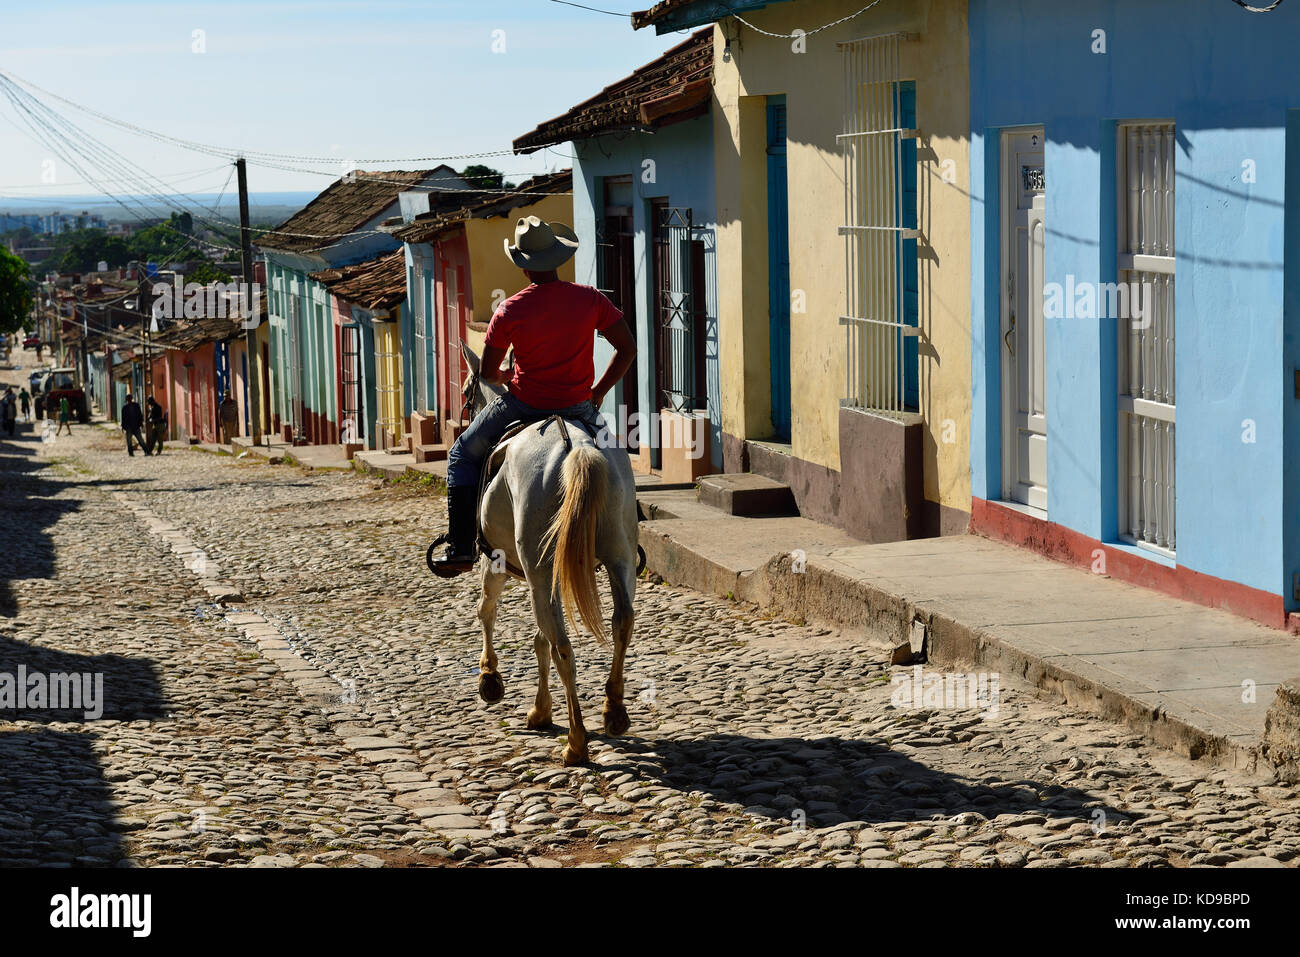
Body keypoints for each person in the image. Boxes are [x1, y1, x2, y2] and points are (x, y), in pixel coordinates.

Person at [428, 215, 637, 577]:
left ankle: (461, 545)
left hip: (524, 404)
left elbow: (488, 374)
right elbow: (627, 348)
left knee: (462, 453)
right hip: (580, 406)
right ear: (558, 260)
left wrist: (509, 375)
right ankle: (626, 539)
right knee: (617, 460)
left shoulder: (509, 310)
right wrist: (598, 393)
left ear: (523, 268)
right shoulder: (589, 299)